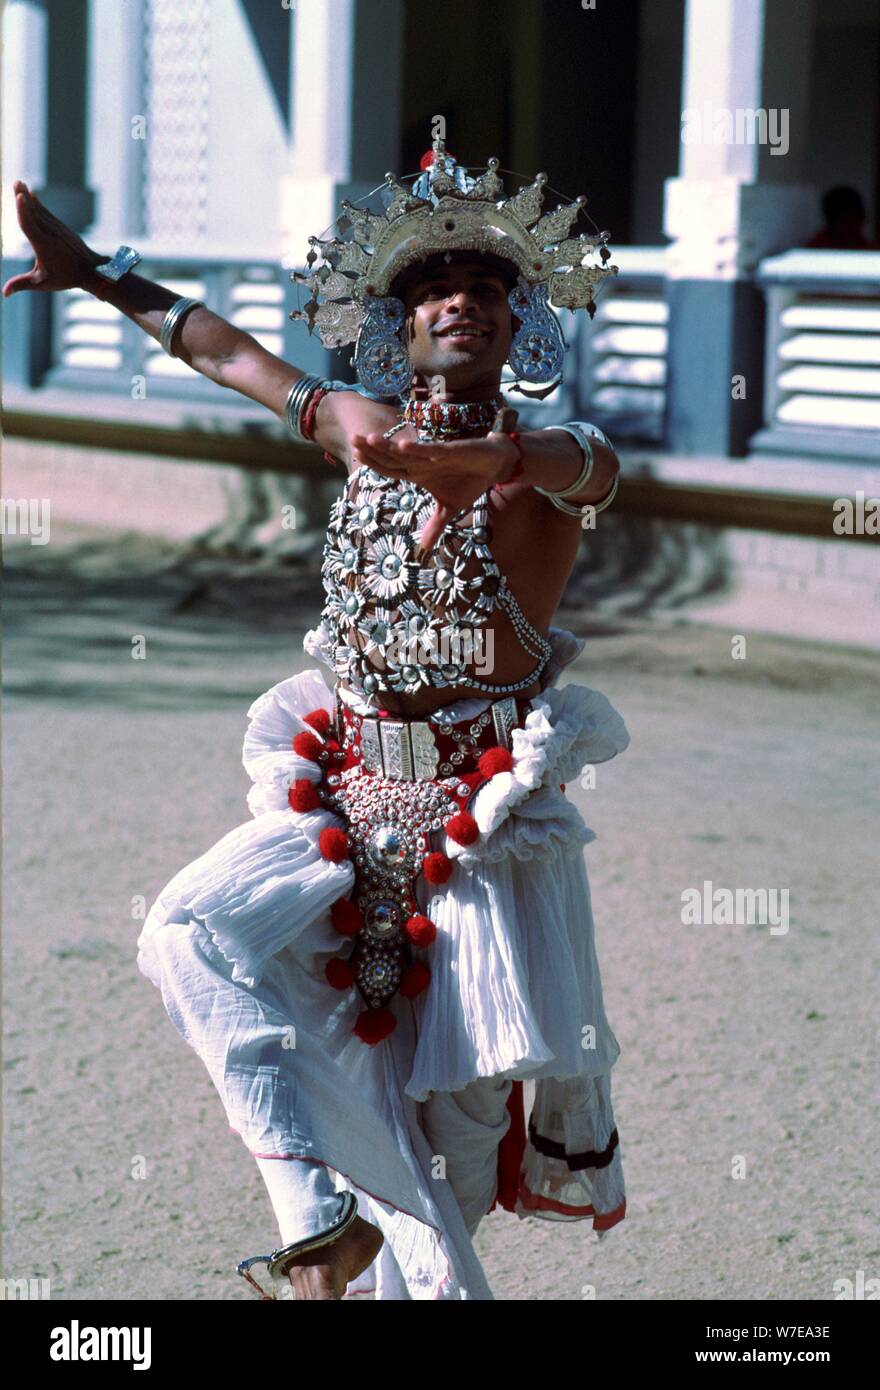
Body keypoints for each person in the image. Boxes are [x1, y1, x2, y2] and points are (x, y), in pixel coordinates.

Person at [3, 136, 631, 1301]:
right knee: (187, 934)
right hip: (336, 806)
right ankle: (319, 1220)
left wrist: (501, 452)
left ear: (516, 325)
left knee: (449, 1162)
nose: (460, 301)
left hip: (479, 842)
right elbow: (219, 348)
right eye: (433, 287)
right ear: (399, 327)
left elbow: (592, 466)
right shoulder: (358, 430)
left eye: (487, 288)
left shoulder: (536, 474)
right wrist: (96, 275)